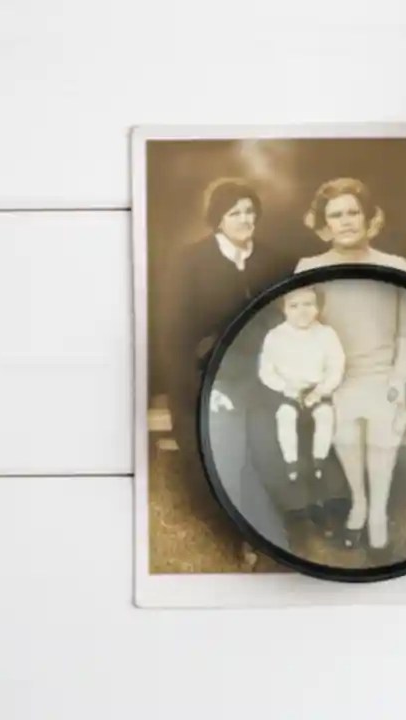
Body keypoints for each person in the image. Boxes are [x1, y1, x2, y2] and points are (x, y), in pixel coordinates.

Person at [156, 177, 293, 555]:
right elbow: (173, 337)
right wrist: (200, 392)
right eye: (235, 212)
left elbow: (286, 325)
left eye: (250, 211)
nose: (245, 219)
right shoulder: (189, 261)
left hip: (261, 376)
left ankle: (268, 532)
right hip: (202, 379)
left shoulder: (273, 260)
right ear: (218, 219)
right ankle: (239, 535)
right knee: (217, 452)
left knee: (271, 443)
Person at [295, 177, 406, 553]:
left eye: (353, 212)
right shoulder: (309, 266)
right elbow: (300, 328)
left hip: (383, 375)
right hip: (337, 379)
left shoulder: (394, 265)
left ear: (369, 218)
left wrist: (399, 379)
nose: (346, 221)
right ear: (324, 224)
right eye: (336, 215)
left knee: (383, 444)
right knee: (347, 441)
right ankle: (360, 501)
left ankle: (379, 512)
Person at [258, 287, 346, 487]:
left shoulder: (326, 334)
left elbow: (336, 366)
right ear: (284, 309)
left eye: (308, 305)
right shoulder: (275, 336)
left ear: (318, 308)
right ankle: (291, 462)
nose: (302, 311)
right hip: (288, 389)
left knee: (325, 416)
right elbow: (266, 371)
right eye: (294, 306)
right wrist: (284, 386)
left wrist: (321, 390)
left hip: (317, 388)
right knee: (285, 416)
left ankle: (319, 462)